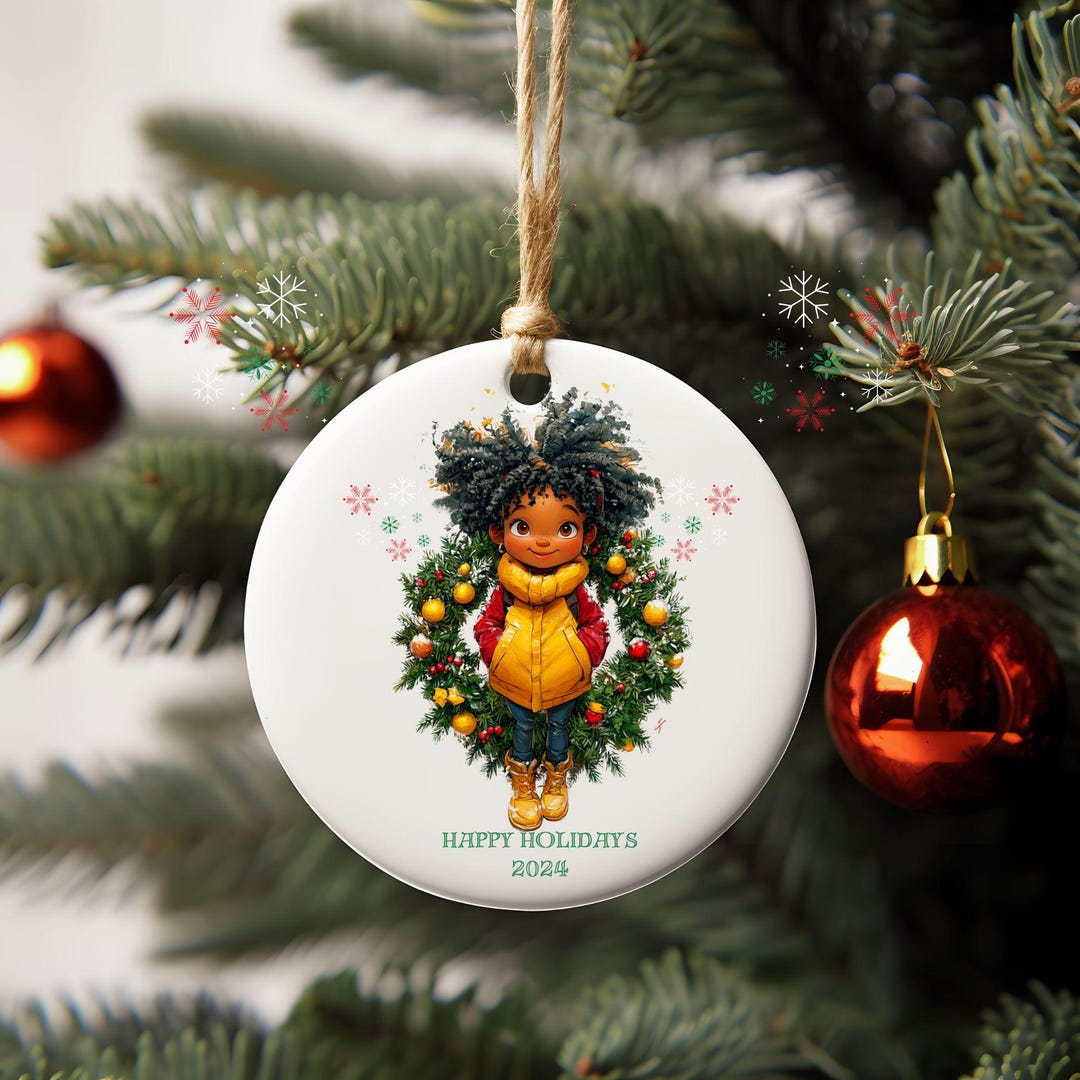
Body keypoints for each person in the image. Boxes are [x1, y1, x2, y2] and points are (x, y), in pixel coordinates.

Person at [434, 390, 660, 830]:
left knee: (558, 732)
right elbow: (487, 621)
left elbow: (596, 624)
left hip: (565, 683)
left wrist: (582, 653)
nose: (543, 541)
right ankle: (523, 785)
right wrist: (497, 648)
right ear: (500, 531)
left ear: (588, 533)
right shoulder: (507, 588)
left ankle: (556, 780)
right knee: (521, 732)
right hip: (513, 681)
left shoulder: (574, 592)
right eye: (524, 527)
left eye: (564, 528)